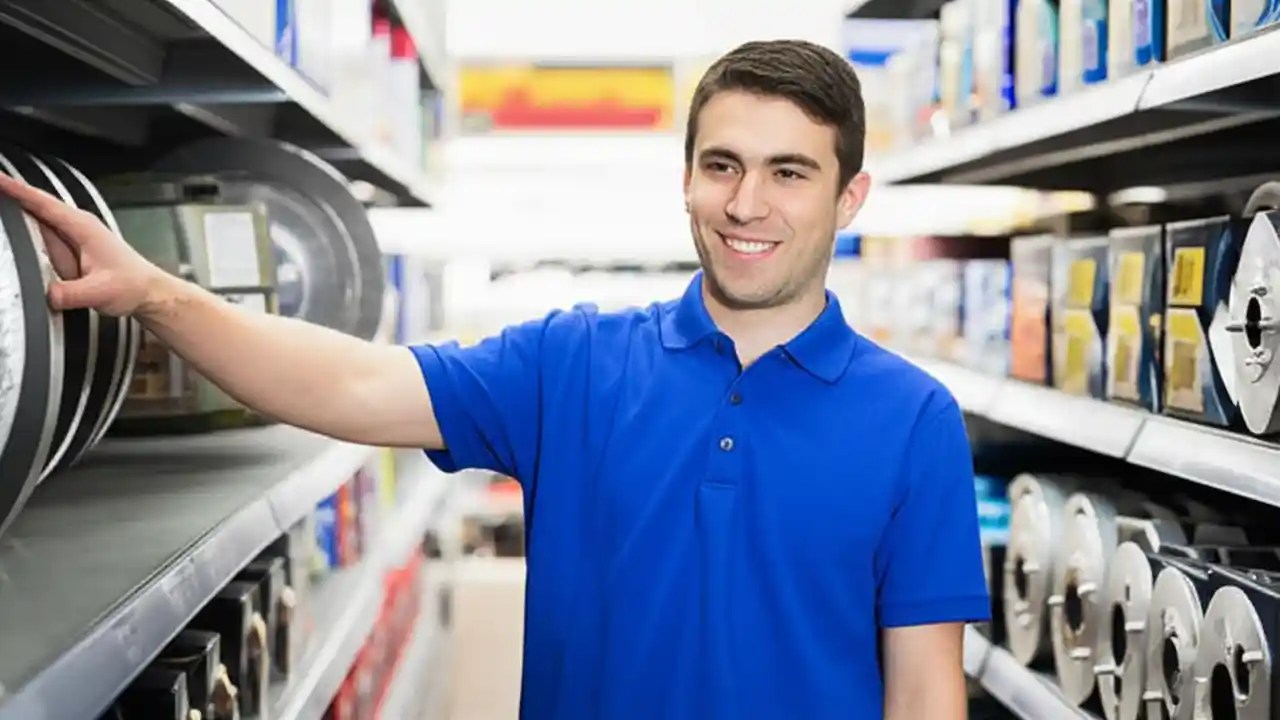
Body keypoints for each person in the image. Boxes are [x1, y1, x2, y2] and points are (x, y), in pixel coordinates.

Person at [0, 39, 989, 719]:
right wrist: (154, 295)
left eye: (788, 172)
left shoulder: (911, 421)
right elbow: (349, 386)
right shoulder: (573, 365)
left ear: (847, 196)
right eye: (721, 165)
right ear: (684, 177)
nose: (745, 203)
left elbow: (922, 692)